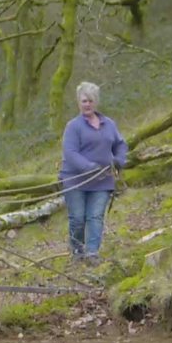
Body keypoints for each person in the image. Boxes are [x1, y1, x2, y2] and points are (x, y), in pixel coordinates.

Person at [58, 81, 128, 262]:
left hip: (102, 181)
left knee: (95, 216)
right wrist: (89, 167)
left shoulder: (109, 124)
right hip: (75, 180)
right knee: (78, 218)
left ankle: (92, 253)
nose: (87, 104)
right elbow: (70, 153)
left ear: (96, 102)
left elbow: (120, 144)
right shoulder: (73, 126)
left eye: (90, 100)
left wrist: (119, 160)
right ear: (78, 103)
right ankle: (77, 250)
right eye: (83, 101)